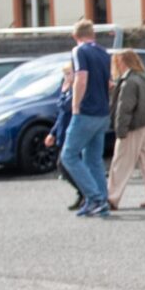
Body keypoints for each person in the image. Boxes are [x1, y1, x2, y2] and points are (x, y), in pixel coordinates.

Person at [59, 18, 113, 218]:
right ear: (93, 34)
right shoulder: (103, 52)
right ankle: (102, 200)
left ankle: (94, 197)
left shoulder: (79, 51)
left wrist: (75, 105)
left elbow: (81, 78)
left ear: (75, 36)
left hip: (86, 111)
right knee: (93, 159)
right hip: (102, 112)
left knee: (69, 155)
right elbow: (109, 83)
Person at [106, 49, 145, 210]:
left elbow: (125, 108)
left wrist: (120, 130)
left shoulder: (129, 82)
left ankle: (111, 198)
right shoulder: (144, 78)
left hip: (133, 126)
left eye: (116, 62)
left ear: (122, 62)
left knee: (121, 163)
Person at [45, 65, 84, 212]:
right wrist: (53, 133)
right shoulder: (68, 90)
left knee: (65, 163)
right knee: (64, 165)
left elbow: (66, 106)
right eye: (65, 74)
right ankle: (82, 192)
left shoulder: (75, 90)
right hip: (64, 132)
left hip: (74, 132)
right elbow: (61, 116)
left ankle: (85, 192)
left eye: (69, 73)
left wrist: (63, 92)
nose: (67, 77)